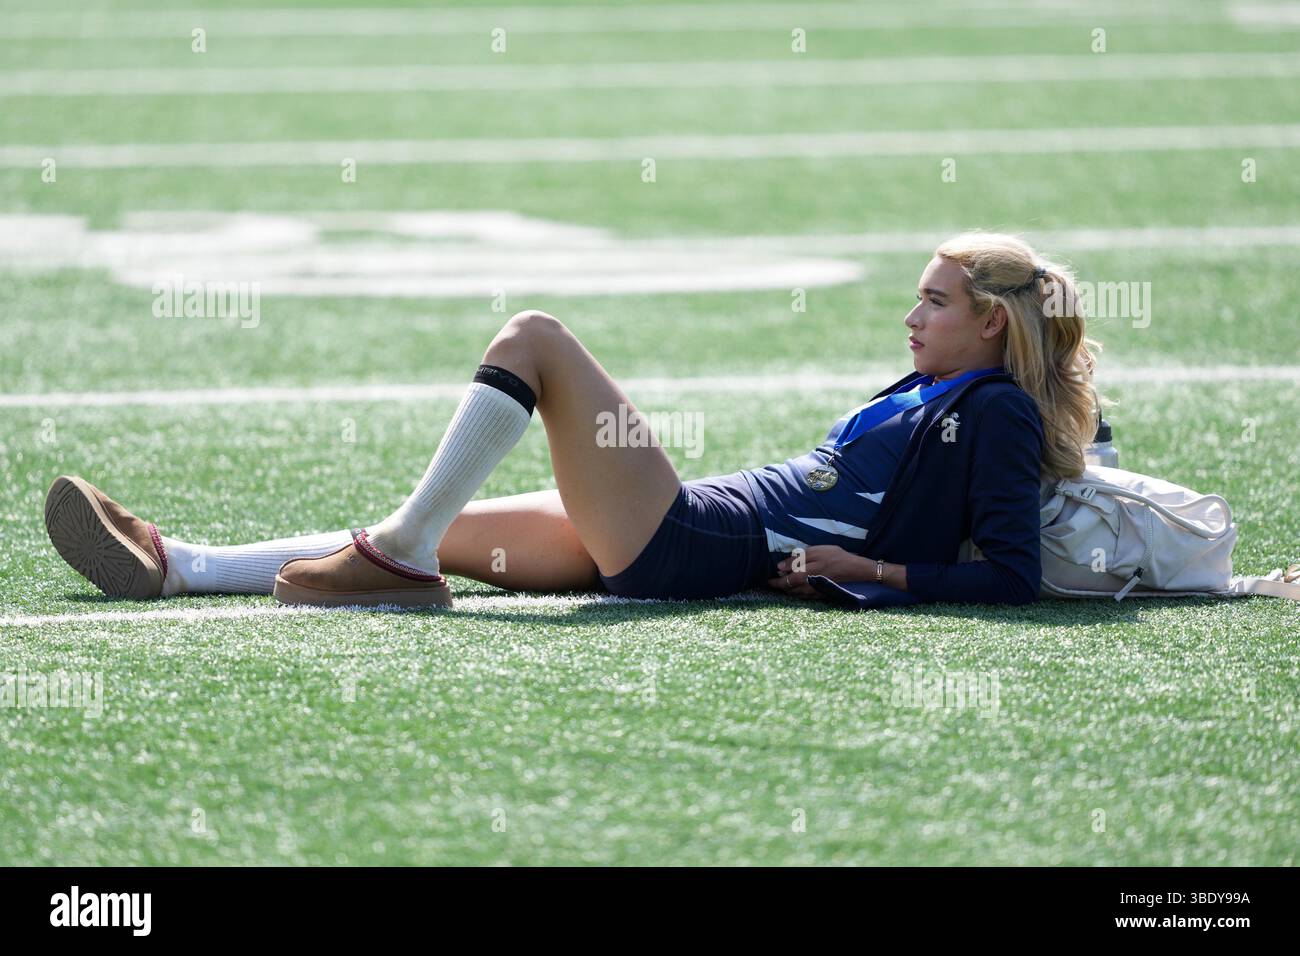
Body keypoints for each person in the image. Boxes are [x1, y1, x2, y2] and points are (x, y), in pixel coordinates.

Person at [44, 232, 1103, 610]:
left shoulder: (995, 410)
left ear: (992, 327)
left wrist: (868, 572)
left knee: (535, 339)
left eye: (932, 301)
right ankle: (181, 562)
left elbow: (1010, 572)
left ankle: (401, 557)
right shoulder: (934, 389)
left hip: (694, 537)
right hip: (685, 528)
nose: (908, 314)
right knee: (436, 525)